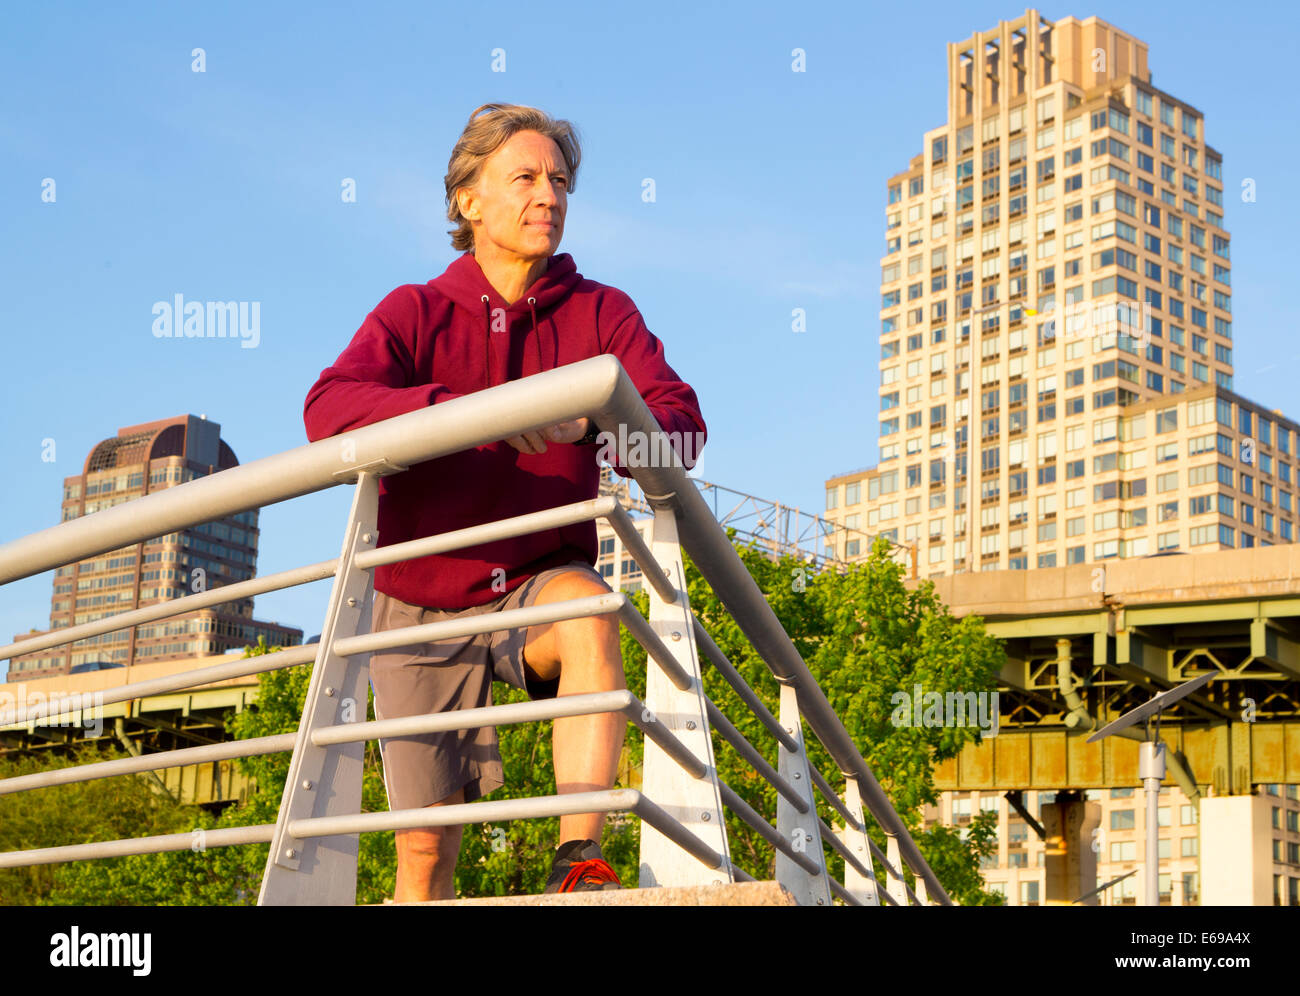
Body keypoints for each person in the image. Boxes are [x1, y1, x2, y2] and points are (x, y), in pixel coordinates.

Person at [302, 102, 707, 901]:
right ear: (468, 200)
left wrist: (607, 415)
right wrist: (468, 417)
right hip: (418, 594)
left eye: (559, 181)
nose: (548, 196)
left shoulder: (602, 313)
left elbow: (682, 429)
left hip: (535, 580)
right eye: (524, 177)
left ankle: (579, 860)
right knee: (424, 849)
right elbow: (327, 407)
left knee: (592, 610)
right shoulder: (413, 310)